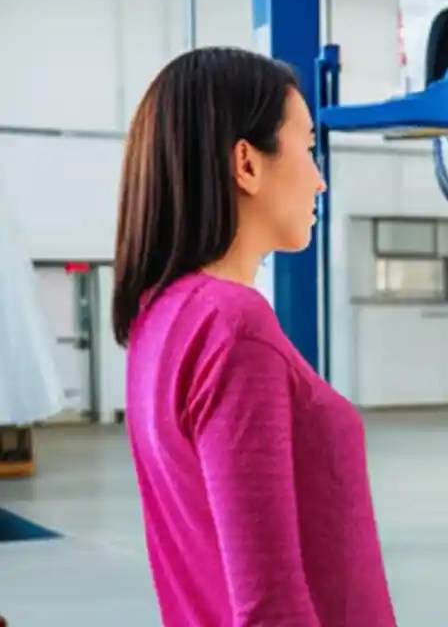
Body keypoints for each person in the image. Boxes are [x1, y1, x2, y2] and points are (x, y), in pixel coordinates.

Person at [112, 47, 397, 626]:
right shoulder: (232, 324)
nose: (319, 181)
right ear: (246, 163)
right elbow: (269, 605)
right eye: (309, 149)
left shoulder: (160, 318)